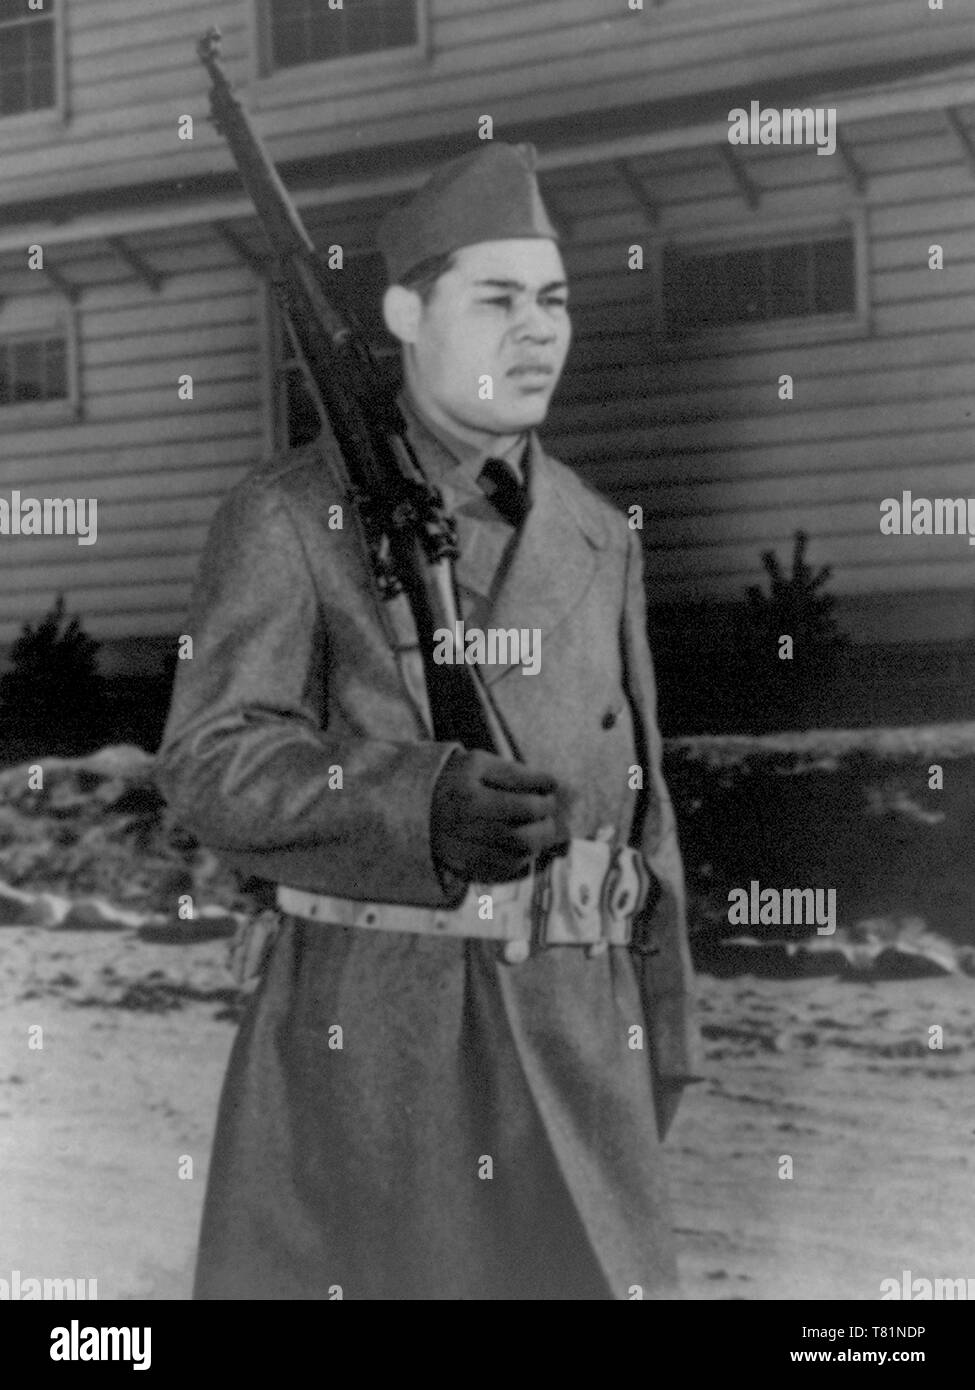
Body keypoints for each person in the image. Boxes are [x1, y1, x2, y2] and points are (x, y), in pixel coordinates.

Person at [156, 141, 700, 1301]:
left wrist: (666, 1034)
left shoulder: (601, 534)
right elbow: (210, 760)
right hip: (379, 1049)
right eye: (498, 299)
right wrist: (416, 801)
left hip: (579, 1043)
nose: (538, 330)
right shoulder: (289, 518)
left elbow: (645, 814)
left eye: (553, 300)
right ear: (406, 312)